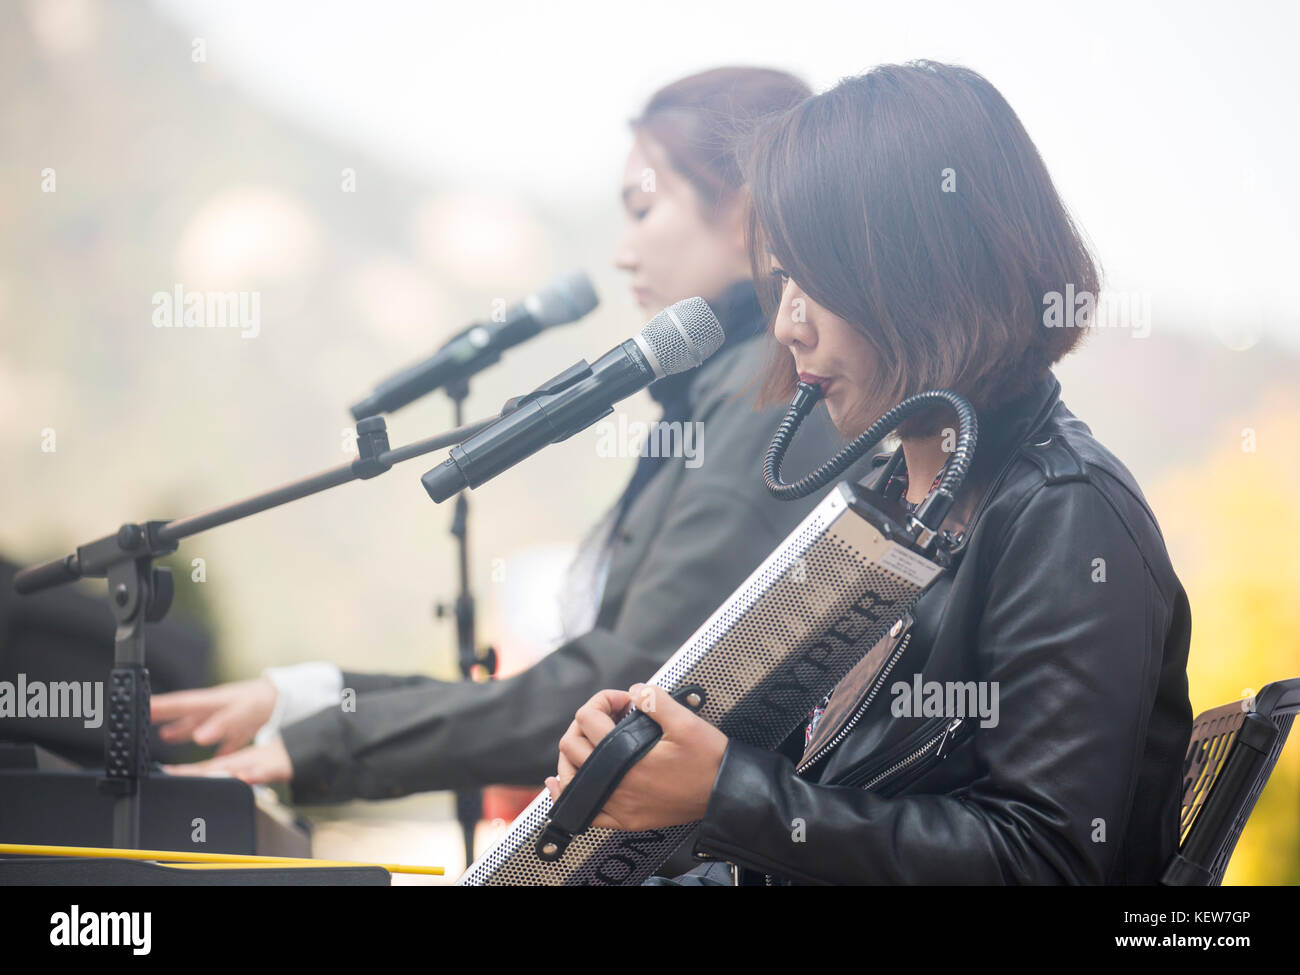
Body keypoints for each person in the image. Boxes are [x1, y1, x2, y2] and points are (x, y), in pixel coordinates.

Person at [547, 60, 1194, 885]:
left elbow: (1046, 860)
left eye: (815, 280)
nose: (788, 325)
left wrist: (725, 792)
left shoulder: (1066, 514)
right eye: (783, 280)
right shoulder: (890, 499)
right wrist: (653, 764)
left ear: (923, 272)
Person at [152, 67, 871, 802]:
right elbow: (596, 685)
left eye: (642, 210)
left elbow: (630, 692)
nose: (623, 253)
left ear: (748, 209)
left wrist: (326, 734)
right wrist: (310, 700)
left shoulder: (768, 393)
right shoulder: (729, 389)